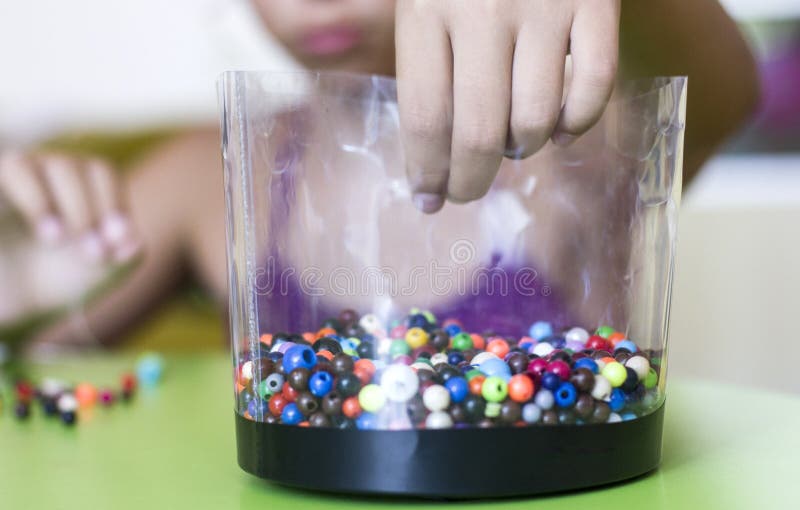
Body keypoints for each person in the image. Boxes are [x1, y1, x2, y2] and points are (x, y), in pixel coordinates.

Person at [0, 0, 759, 345]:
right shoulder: (211, 170)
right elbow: (38, 321)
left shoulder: (583, 137)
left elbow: (724, 87)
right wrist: (31, 267)